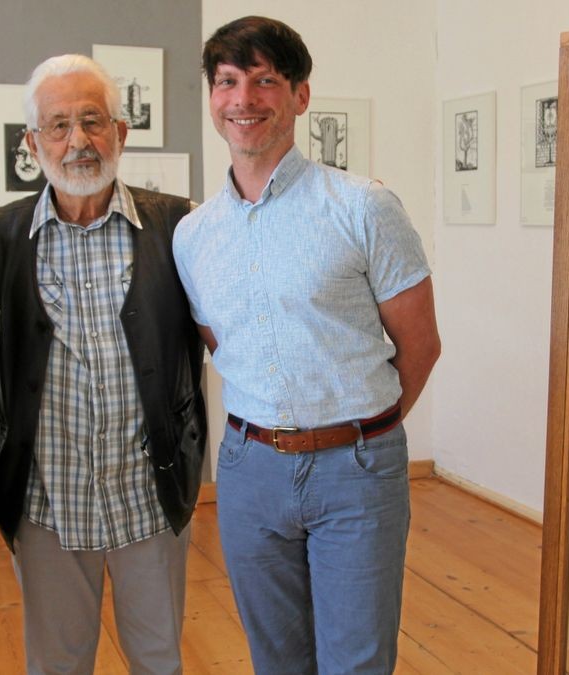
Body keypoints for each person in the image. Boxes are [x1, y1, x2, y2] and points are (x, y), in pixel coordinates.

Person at [173, 16, 442, 674]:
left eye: (266, 80)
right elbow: (222, 341)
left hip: (358, 467)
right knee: (277, 660)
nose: (245, 99)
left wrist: (360, 430)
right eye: (229, 81)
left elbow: (421, 344)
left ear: (300, 95)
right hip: (247, 471)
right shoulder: (192, 235)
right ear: (211, 96)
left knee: (356, 660)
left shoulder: (363, 207)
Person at [0, 54, 206, 675]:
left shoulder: (180, 224)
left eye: (92, 120)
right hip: (48, 496)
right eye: (58, 125)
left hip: (151, 492)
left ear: (120, 132)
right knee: (58, 663)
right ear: (33, 142)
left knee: (159, 657)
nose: (77, 140)